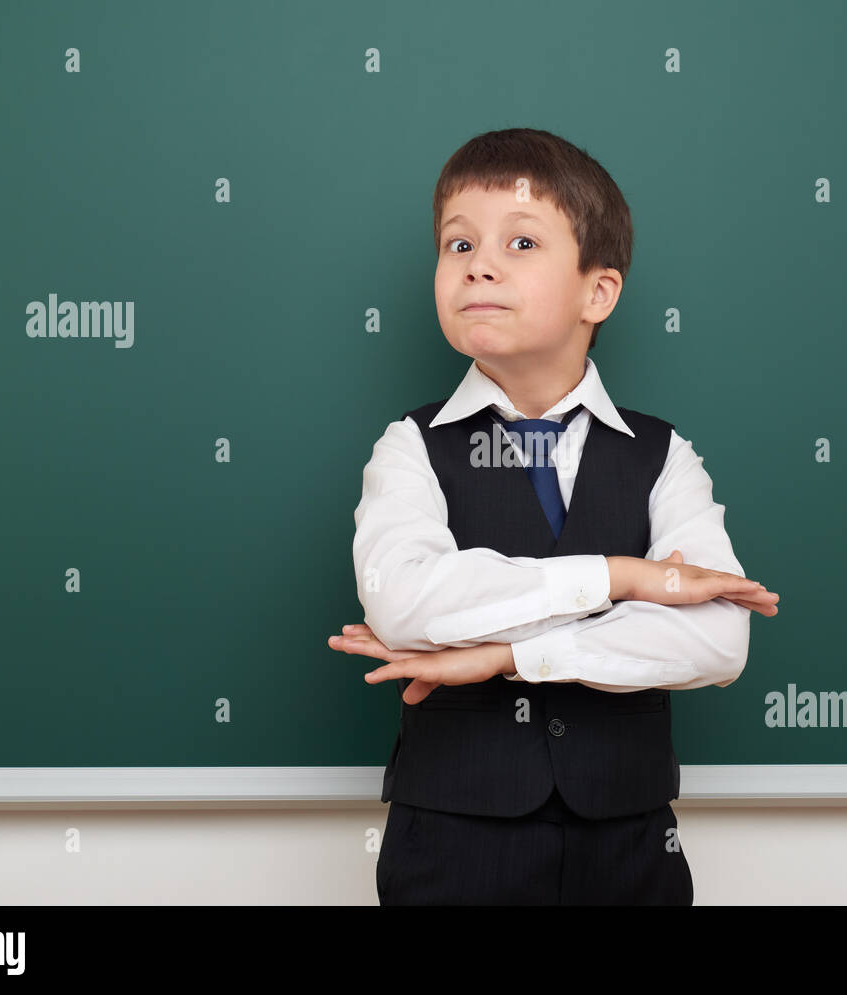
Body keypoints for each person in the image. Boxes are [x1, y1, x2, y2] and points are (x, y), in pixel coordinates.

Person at [327, 127, 780, 905]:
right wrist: (622, 577)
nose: (480, 264)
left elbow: (715, 636)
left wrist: (508, 656)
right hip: (448, 850)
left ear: (596, 292)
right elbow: (405, 604)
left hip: (631, 847)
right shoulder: (411, 447)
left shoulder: (662, 456)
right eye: (457, 243)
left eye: (522, 241)